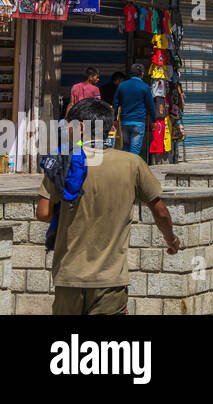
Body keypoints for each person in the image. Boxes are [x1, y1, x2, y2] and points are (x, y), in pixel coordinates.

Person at [37, 99, 180, 315]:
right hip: (110, 280)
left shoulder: (63, 162)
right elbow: (160, 213)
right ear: (111, 128)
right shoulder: (133, 163)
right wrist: (172, 240)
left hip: (69, 278)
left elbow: (43, 213)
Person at [111, 64, 153, 159]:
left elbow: (115, 103)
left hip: (125, 122)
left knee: (125, 147)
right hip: (138, 122)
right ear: (142, 74)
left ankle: (126, 170)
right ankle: (132, 172)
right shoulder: (145, 87)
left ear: (130, 74)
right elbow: (150, 106)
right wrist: (153, 120)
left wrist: (114, 119)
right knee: (134, 150)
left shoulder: (122, 85)